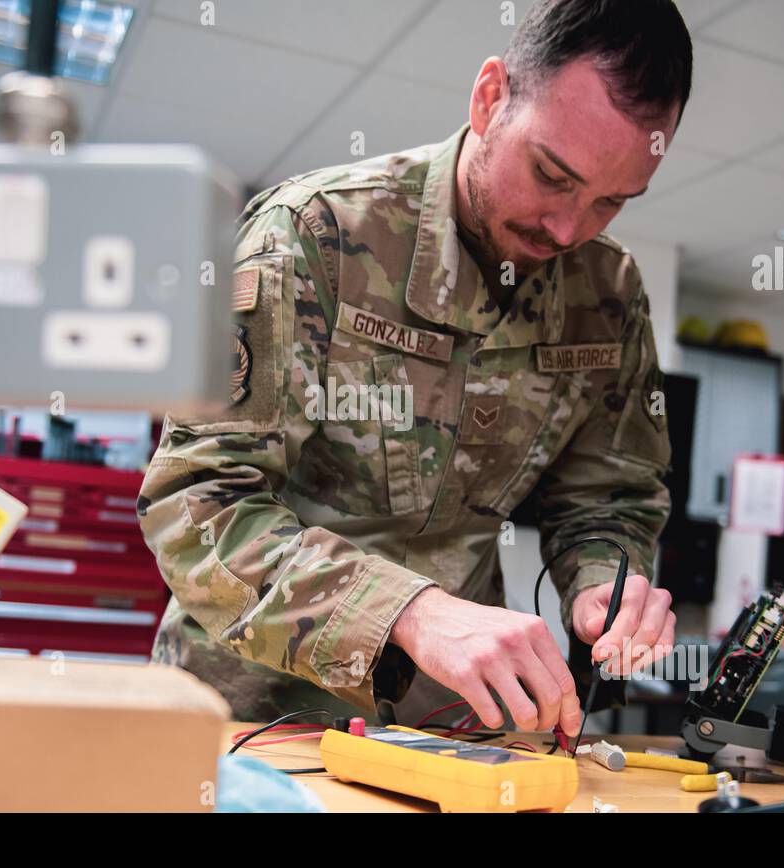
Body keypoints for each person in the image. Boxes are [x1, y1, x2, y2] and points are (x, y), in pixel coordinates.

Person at [138, 0, 692, 736]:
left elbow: (609, 499)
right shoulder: (315, 236)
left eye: (611, 202)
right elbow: (199, 501)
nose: (568, 228)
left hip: (451, 730)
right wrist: (410, 612)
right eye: (552, 175)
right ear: (491, 98)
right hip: (250, 716)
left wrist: (604, 584)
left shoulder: (609, 295)